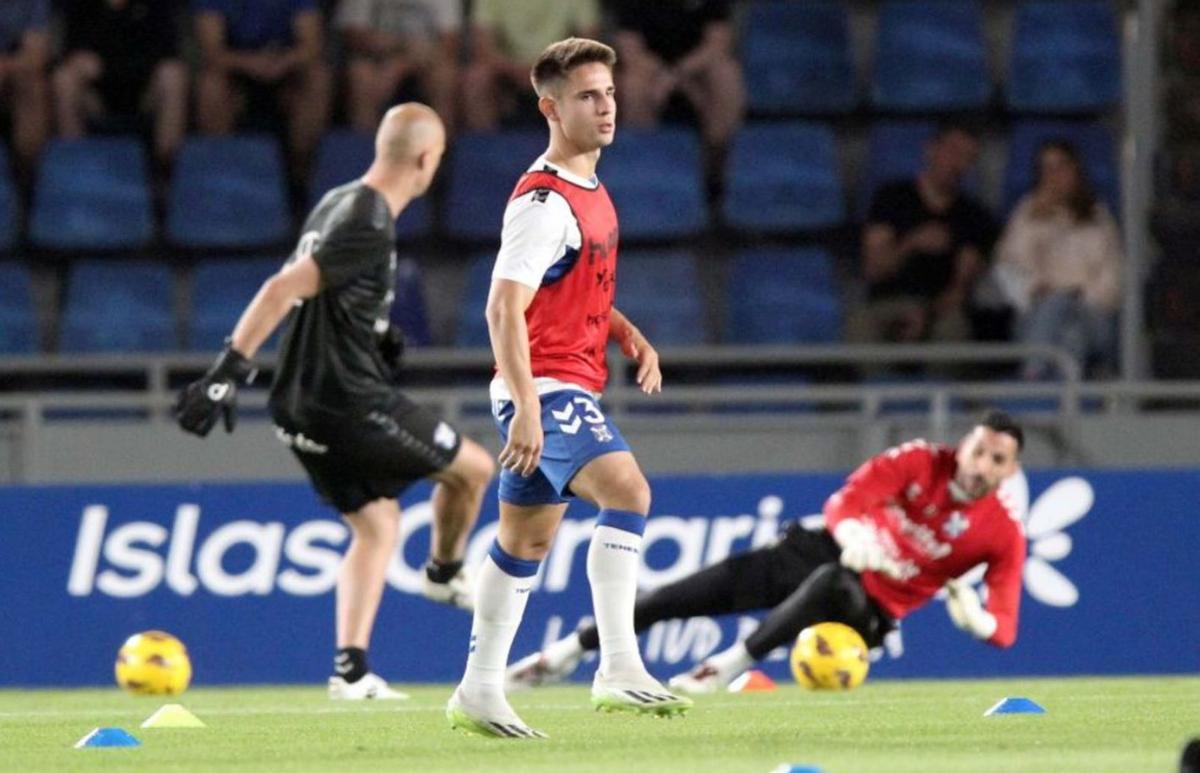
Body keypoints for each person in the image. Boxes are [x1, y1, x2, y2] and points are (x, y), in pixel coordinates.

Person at [175, 103, 494, 701]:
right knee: (474, 471)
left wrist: (373, 333)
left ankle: (350, 671)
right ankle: (445, 574)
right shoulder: (369, 220)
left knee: (377, 524)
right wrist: (226, 371)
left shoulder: (339, 199)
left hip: (295, 404)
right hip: (344, 401)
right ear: (426, 159)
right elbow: (281, 288)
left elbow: (323, 290)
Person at [445, 37, 691, 740]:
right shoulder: (544, 200)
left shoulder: (589, 188)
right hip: (546, 386)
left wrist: (624, 330)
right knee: (629, 492)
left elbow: (568, 285)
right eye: (588, 96)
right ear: (550, 108)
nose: (606, 106)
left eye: (609, 93)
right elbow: (503, 306)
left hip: (559, 378)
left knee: (523, 542)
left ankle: (479, 689)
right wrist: (526, 403)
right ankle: (617, 664)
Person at [507, 411, 1028, 695]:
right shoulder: (919, 459)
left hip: (867, 611)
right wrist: (853, 537)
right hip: (828, 551)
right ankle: (563, 655)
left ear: (1010, 471)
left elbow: (1005, 631)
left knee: (832, 582)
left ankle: (722, 669)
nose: (979, 465)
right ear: (964, 445)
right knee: (676, 595)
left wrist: (975, 620)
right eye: (977, 450)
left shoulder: (1002, 532)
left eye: (996, 459)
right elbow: (846, 502)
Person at [851, 124, 998, 346]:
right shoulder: (892, 197)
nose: (956, 163)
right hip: (887, 304)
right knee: (860, 328)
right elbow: (874, 269)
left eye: (967, 158)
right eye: (953, 151)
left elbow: (960, 290)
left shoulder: (975, 217)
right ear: (931, 149)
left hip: (938, 311)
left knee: (954, 332)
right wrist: (911, 243)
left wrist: (926, 314)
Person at [993, 140, 1123, 379]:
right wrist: (1035, 222)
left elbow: (1112, 278)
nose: (1054, 176)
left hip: (1091, 311)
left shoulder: (1098, 217)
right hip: (1037, 314)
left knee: (1062, 305)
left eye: (1061, 167)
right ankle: (1069, 402)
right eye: (1047, 169)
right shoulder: (1026, 214)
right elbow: (1009, 270)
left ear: (1076, 171)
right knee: (1071, 333)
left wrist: (1074, 296)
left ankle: (1033, 377)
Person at [609, 0, 743, 192]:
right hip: (652, 74)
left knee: (726, 74)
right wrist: (666, 77)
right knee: (633, 83)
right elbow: (632, 52)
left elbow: (718, 45)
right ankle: (646, 164)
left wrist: (677, 77)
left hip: (697, 72)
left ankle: (717, 170)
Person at [193, 0, 332, 184]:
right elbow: (212, 51)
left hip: (285, 74)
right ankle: (219, 166)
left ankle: (303, 170)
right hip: (235, 75)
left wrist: (282, 62)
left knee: (318, 77)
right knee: (211, 83)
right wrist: (251, 63)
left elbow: (312, 46)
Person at [52, 0, 189, 168]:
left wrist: (110, 66)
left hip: (144, 94)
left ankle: (167, 166)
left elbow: (166, 52)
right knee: (64, 78)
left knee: (173, 74)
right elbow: (71, 52)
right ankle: (76, 161)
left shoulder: (156, 6)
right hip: (97, 97)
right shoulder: (81, 6)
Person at [460, 0, 599, 131]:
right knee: (476, 78)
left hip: (560, 73)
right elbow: (483, 47)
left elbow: (588, 45)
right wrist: (517, 71)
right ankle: (486, 152)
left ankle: (586, 150)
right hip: (506, 73)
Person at [336, 0, 461, 136]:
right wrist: (399, 50)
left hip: (426, 59)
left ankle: (441, 150)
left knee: (445, 74)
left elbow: (449, 43)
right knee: (360, 75)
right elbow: (354, 36)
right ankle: (365, 149)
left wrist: (402, 63)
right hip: (378, 59)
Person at [0, 1, 50, 181]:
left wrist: (5, 66)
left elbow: (36, 56)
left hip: (16, 76)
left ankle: (28, 181)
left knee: (34, 87)